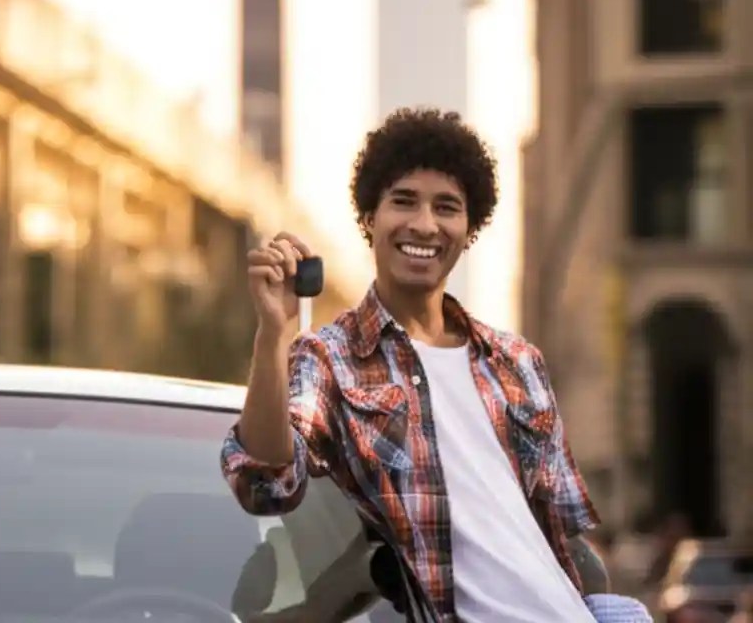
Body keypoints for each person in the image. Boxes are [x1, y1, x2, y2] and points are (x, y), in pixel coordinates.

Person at [221, 108, 649, 621]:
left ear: (468, 229)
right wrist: (274, 335)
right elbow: (265, 484)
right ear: (369, 218)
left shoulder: (518, 363)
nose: (425, 224)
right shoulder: (330, 360)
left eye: (447, 207)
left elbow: (565, 539)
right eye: (404, 201)